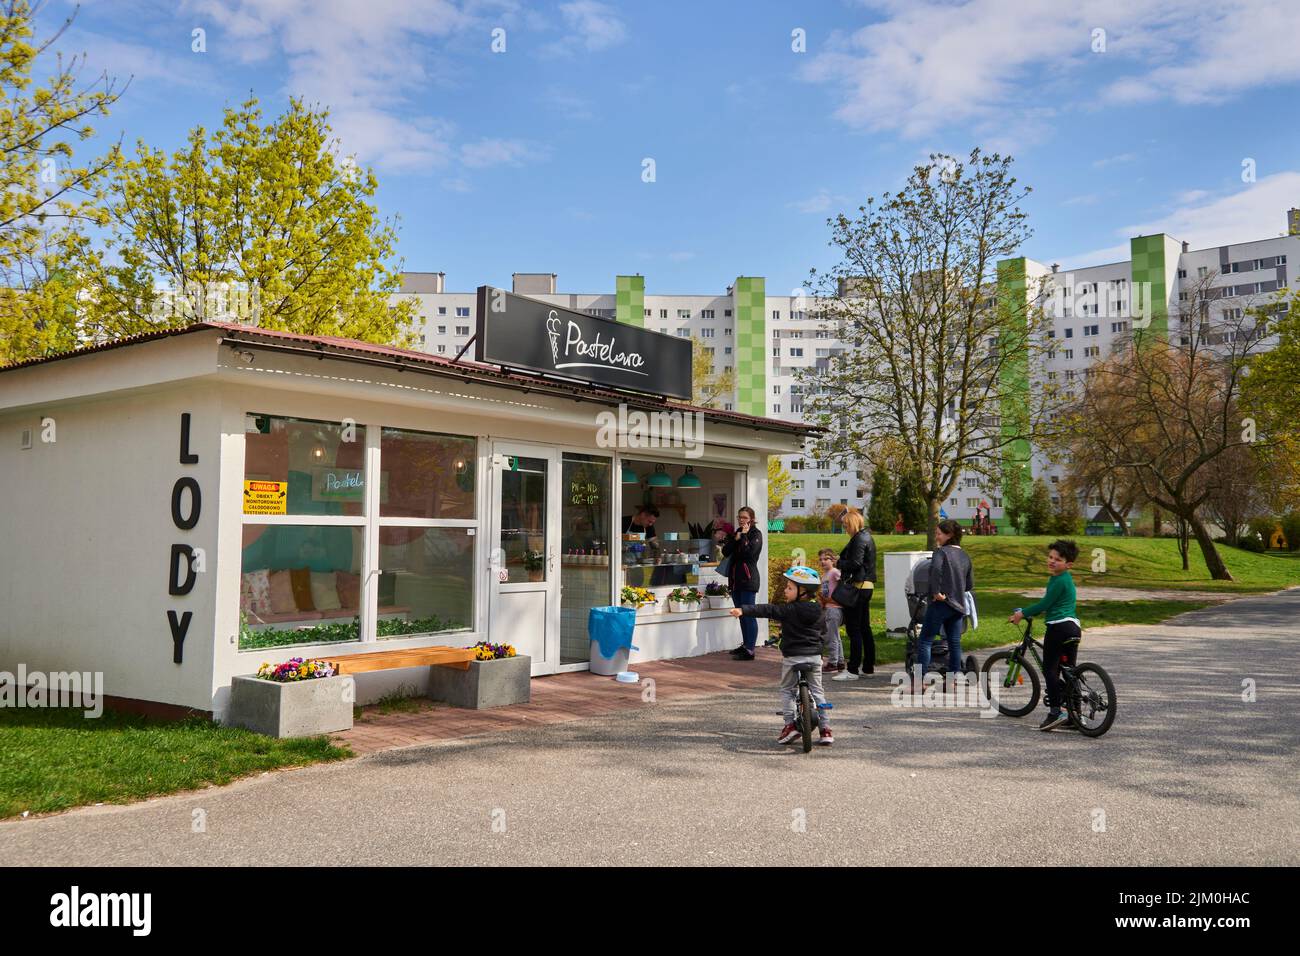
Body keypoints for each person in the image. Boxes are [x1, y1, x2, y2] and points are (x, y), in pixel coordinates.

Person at [730, 566, 832, 746]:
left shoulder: (788, 610)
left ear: (802, 592)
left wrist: (743, 610)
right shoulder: (820, 611)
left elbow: (767, 610)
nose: (785, 590)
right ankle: (825, 730)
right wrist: (819, 651)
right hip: (814, 657)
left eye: (790, 587)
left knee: (787, 690)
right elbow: (823, 633)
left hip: (793, 657)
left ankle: (790, 725)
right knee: (818, 691)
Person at [1009, 539, 1081, 731]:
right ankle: (1075, 715)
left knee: (1050, 669)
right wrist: (1033, 611)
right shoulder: (1066, 580)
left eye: (1057, 559)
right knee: (1069, 672)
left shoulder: (1059, 580)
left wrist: (1021, 613)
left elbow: (1045, 604)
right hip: (1073, 628)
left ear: (1068, 564)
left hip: (1058, 628)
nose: (1052, 561)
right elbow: (1053, 604)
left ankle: (1056, 712)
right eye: (1050, 557)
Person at [915, 518, 973, 682]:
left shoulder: (941, 552)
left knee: (925, 640)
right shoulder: (964, 556)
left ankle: (920, 681)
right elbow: (969, 584)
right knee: (954, 642)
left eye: (939, 534)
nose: (937, 537)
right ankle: (953, 679)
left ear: (949, 535)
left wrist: (936, 592)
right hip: (958, 605)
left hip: (941, 603)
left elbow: (935, 570)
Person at [832, 509, 877, 680]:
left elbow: (855, 563)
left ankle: (852, 670)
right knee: (864, 627)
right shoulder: (866, 537)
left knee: (854, 628)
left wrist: (838, 562)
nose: (845, 529)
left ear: (853, 523)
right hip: (866, 585)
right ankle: (868, 667)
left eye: (846, 525)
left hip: (858, 586)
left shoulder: (859, 538)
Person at [723, 506, 763, 660]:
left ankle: (750, 650)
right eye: (740, 517)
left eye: (745, 517)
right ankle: (746, 645)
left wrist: (745, 537)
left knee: (748, 614)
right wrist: (736, 538)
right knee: (741, 614)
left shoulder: (755, 534)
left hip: (748, 579)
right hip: (735, 580)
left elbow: (749, 554)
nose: (741, 520)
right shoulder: (737, 532)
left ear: (751, 519)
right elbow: (726, 551)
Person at [817, 548, 845, 673]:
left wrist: (836, 599)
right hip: (828, 608)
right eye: (821, 559)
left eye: (826, 559)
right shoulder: (824, 575)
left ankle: (833, 663)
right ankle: (840, 662)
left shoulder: (834, 572)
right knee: (836, 636)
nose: (823, 562)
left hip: (835, 608)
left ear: (833, 560)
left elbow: (843, 583)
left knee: (831, 637)